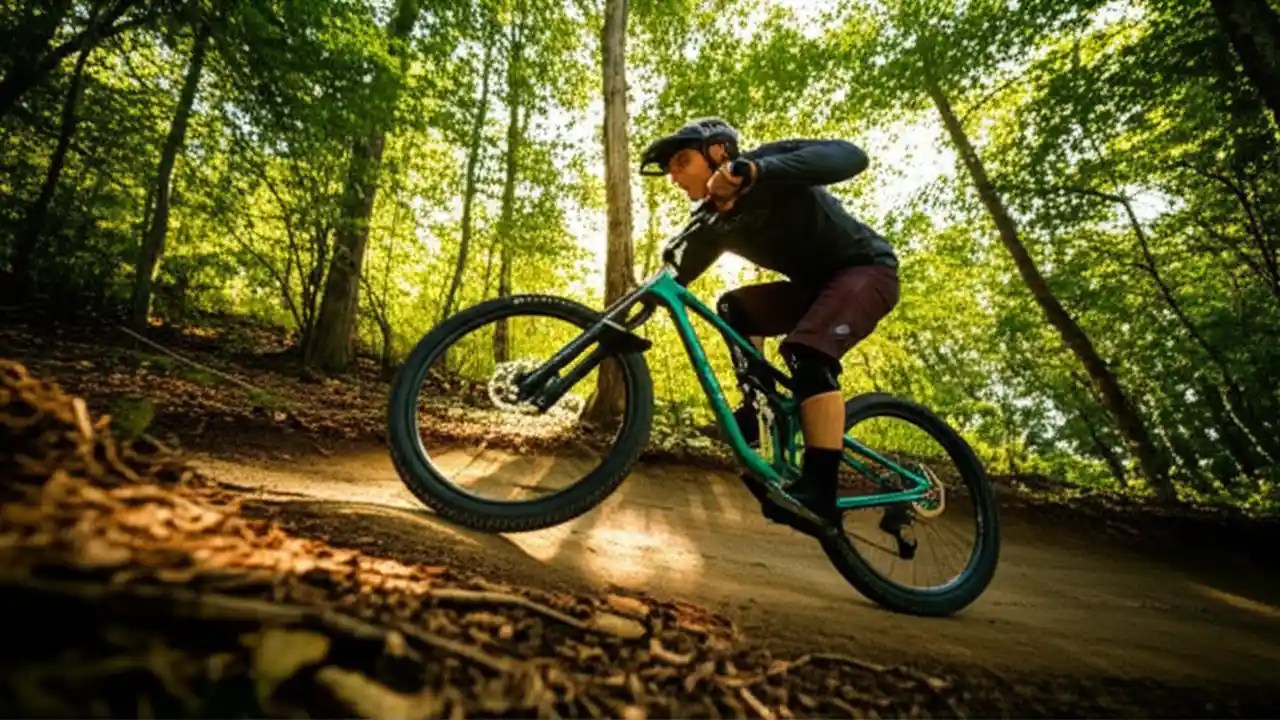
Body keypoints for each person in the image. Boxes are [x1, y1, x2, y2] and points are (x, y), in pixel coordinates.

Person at [639, 117, 900, 528]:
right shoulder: (713, 222)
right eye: (670, 168)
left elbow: (851, 157)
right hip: (813, 289)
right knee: (735, 308)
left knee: (806, 353)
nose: (673, 174)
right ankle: (762, 407)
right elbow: (676, 274)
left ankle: (820, 492)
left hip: (866, 271)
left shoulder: (766, 165)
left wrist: (753, 171)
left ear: (718, 152)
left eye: (681, 161)